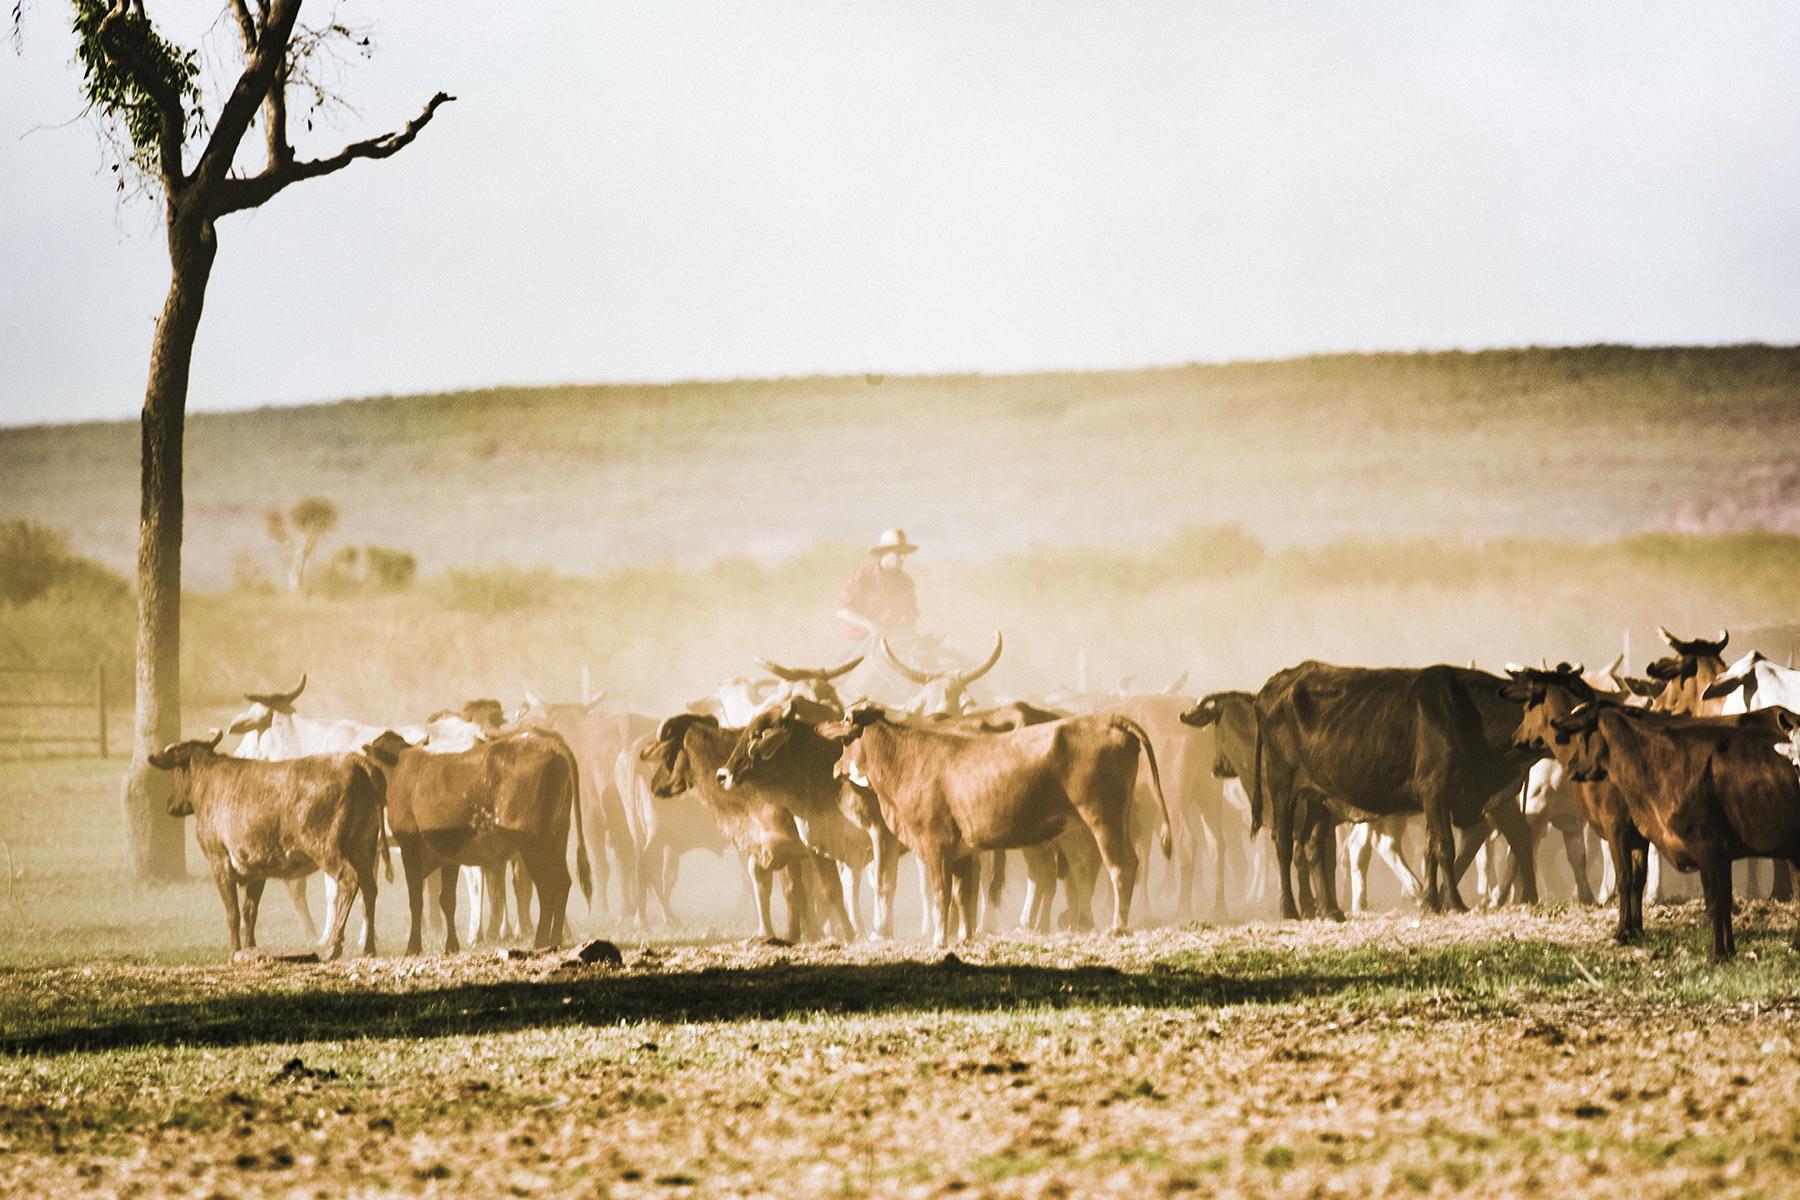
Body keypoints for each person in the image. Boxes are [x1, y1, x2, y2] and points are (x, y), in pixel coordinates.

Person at [836, 528, 920, 642]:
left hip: (892, 642)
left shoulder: (906, 582)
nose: (902, 557)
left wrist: (907, 630)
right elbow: (842, 611)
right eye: (898, 553)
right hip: (861, 643)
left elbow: (911, 615)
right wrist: (869, 626)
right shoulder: (863, 577)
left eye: (904, 553)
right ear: (884, 553)